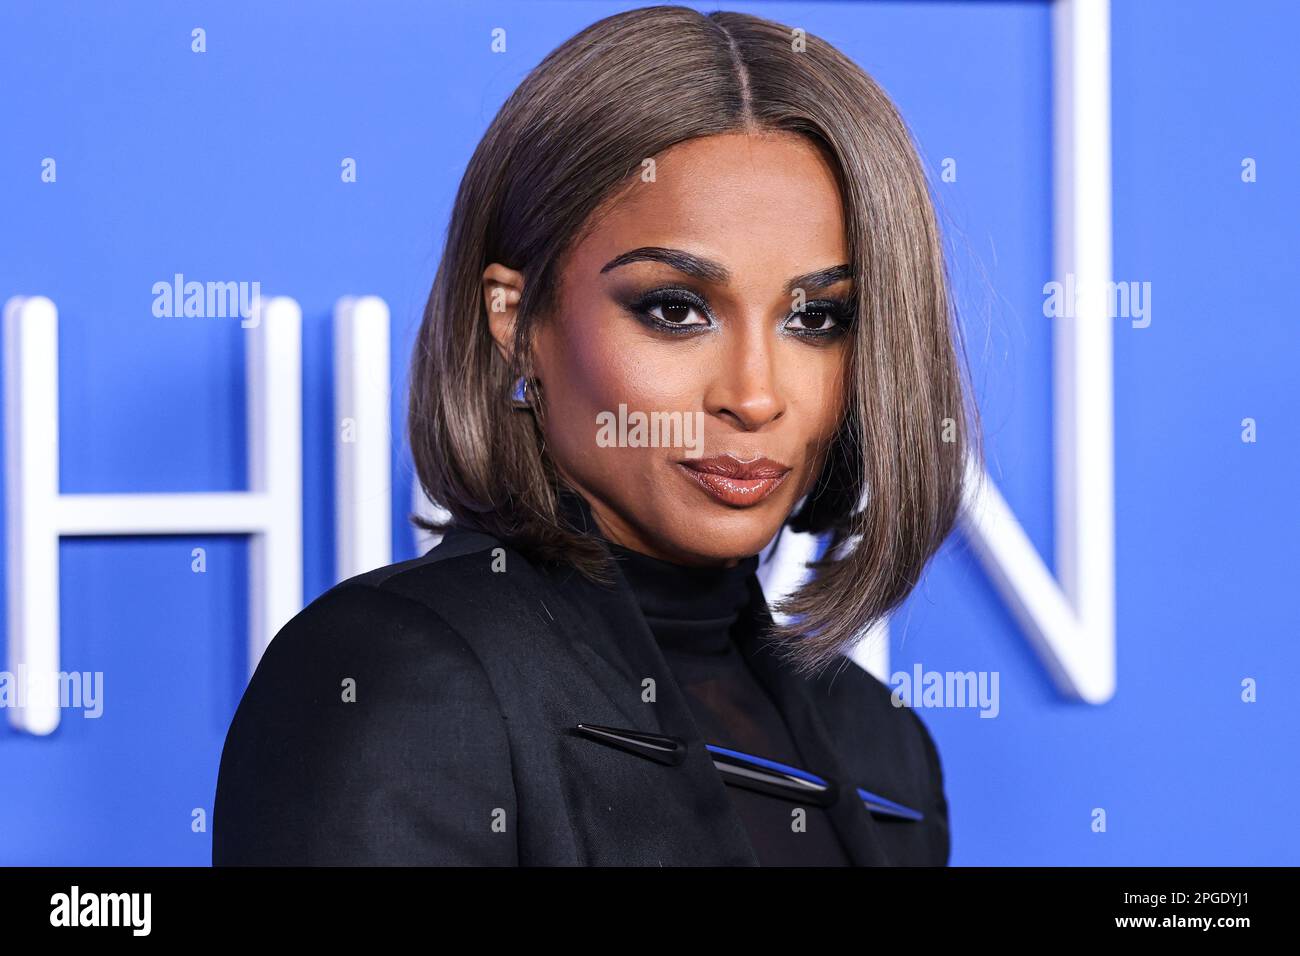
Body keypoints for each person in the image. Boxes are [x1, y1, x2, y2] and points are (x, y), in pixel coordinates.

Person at [213, 4, 977, 866]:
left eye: (817, 318)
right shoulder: (396, 679)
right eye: (676, 310)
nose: (755, 397)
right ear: (517, 317)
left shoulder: (886, 756)